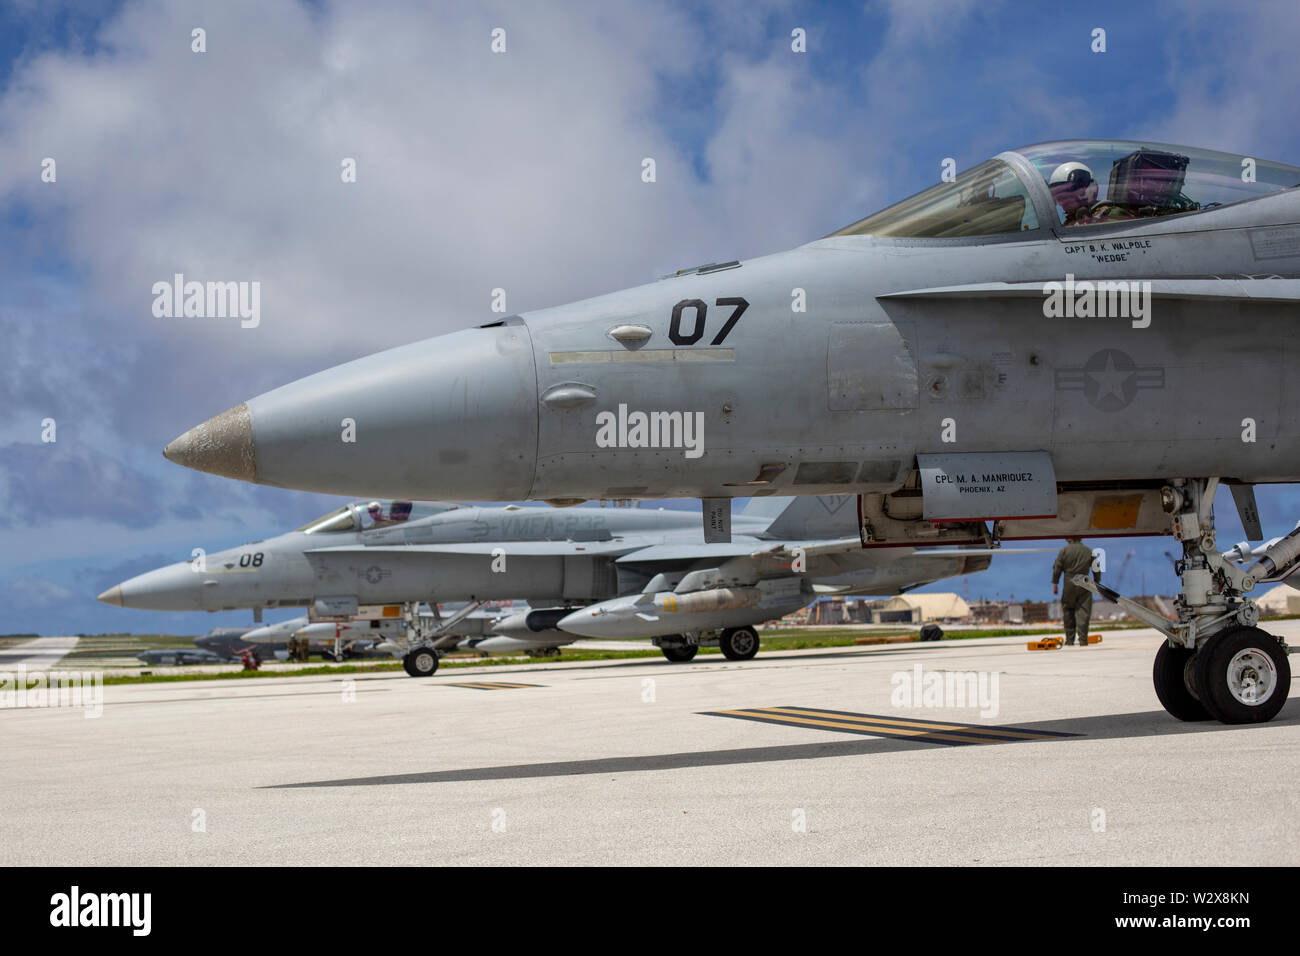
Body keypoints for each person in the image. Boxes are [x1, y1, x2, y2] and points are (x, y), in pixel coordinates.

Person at [1052, 536, 1100, 646]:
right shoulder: (1088, 551)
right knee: (1084, 611)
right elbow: (1096, 568)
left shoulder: (1063, 551)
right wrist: (1096, 581)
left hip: (1069, 583)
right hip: (1085, 583)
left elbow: (1057, 568)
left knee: (1068, 610)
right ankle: (1083, 640)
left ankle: (1070, 640)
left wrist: (1055, 583)